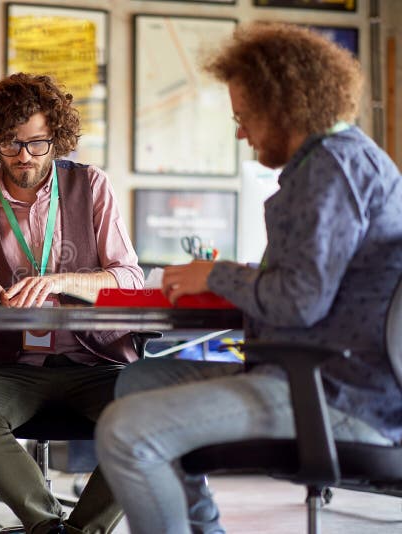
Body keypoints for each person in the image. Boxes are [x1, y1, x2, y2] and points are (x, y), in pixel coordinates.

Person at [95, 22, 402, 534]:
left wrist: (215, 273)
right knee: (139, 379)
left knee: (125, 432)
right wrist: (225, 280)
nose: (241, 133)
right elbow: (311, 283)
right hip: (309, 373)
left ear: (285, 105)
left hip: (337, 395)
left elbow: (300, 302)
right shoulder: (335, 162)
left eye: (244, 117)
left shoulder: (333, 169)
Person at [0, 72, 145, 534]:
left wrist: (60, 280)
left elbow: (129, 279)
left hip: (95, 358)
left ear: (57, 137)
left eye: (38, 143)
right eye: (11, 144)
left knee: (149, 417)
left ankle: (78, 532)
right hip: (8, 362)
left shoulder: (91, 186)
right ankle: (49, 527)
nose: (24, 157)